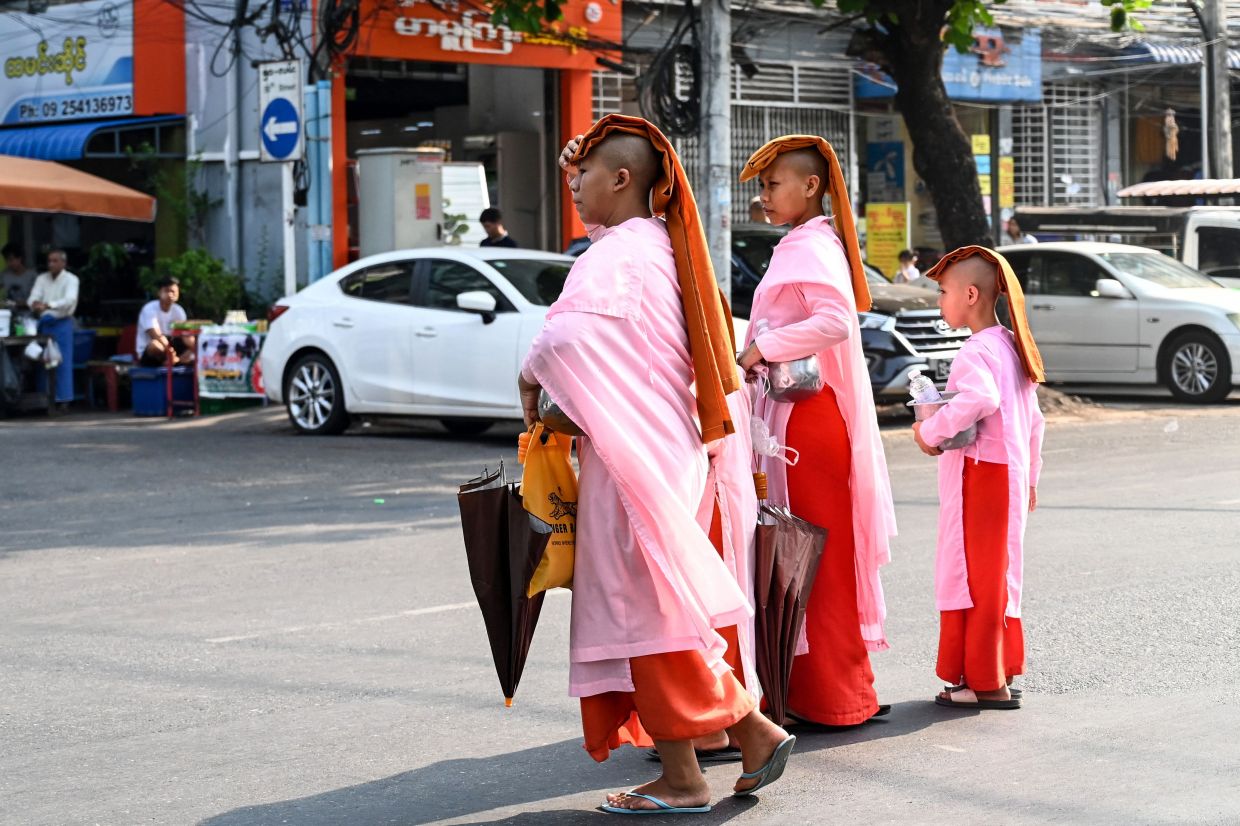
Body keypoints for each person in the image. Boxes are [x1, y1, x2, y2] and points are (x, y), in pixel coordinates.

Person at [522, 115, 795, 815]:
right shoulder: (657, 246)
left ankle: (690, 775)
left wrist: (529, 371)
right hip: (667, 451)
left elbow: (567, 342)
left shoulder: (619, 256)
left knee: (648, 611)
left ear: (621, 179)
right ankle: (746, 735)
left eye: (583, 174)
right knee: (660, 602)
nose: (572, 185)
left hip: (634, 462)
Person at [735, 136, 897, 728]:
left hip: (808, 419)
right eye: (762, 185)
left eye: (773, 184)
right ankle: (810, 691)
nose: (764, 195)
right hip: (793, 415)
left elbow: (835, 321)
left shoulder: (811, 245)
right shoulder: (802, 244)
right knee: (792, 553)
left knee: (809, 555)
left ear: (810, 186)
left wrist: (760, 348)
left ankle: (833, 697)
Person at [911, 246, 1046, 710]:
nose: (939, 302)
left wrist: (929, 432)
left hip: (983, 476)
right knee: (998, 573)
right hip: (1009, 473)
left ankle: (986, 682)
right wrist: (1031, 478)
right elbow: (1035, 421)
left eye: (943, 292)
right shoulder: (1010, 344)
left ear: (970, 295)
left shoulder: (975, 350)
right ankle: (997, 670)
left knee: (975, 576)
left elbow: (979, 399)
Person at [28, 249, 79, 406]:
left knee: (61, 362)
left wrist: (49, 305)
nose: (51, 264)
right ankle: (44, 399)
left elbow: (69, 300)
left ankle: (63, 400)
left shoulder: (71, 279)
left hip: (62, 324)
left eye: (55, 261)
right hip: (44, 324)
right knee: (43, 361)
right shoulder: (42, 278)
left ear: (64, 263)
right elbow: (32, 298)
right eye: (49, 261)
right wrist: (35, 304)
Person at [137, 277, 196, 367]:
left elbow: (184, 335)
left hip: (171, 349)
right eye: (167, 291)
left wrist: (193, 348)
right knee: (155, 346)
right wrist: (170, 352)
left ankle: (177, 361)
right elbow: (156, 335)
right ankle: (170, 361)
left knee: (191, 342)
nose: (170, 294)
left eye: (173, 291)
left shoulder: (179, 310)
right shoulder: (149, 309)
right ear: (159, 292)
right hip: (152, 351)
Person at [1, 243, 35, 309]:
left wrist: (22, 303)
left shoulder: (32, 276)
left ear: (19, 258)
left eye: (11, 260)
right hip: (8, 312)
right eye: (6, 260)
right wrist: (5, 302)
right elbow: (4, 301)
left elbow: (36, 300)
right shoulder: (4, 275)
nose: (9, 263)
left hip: (28, 312)